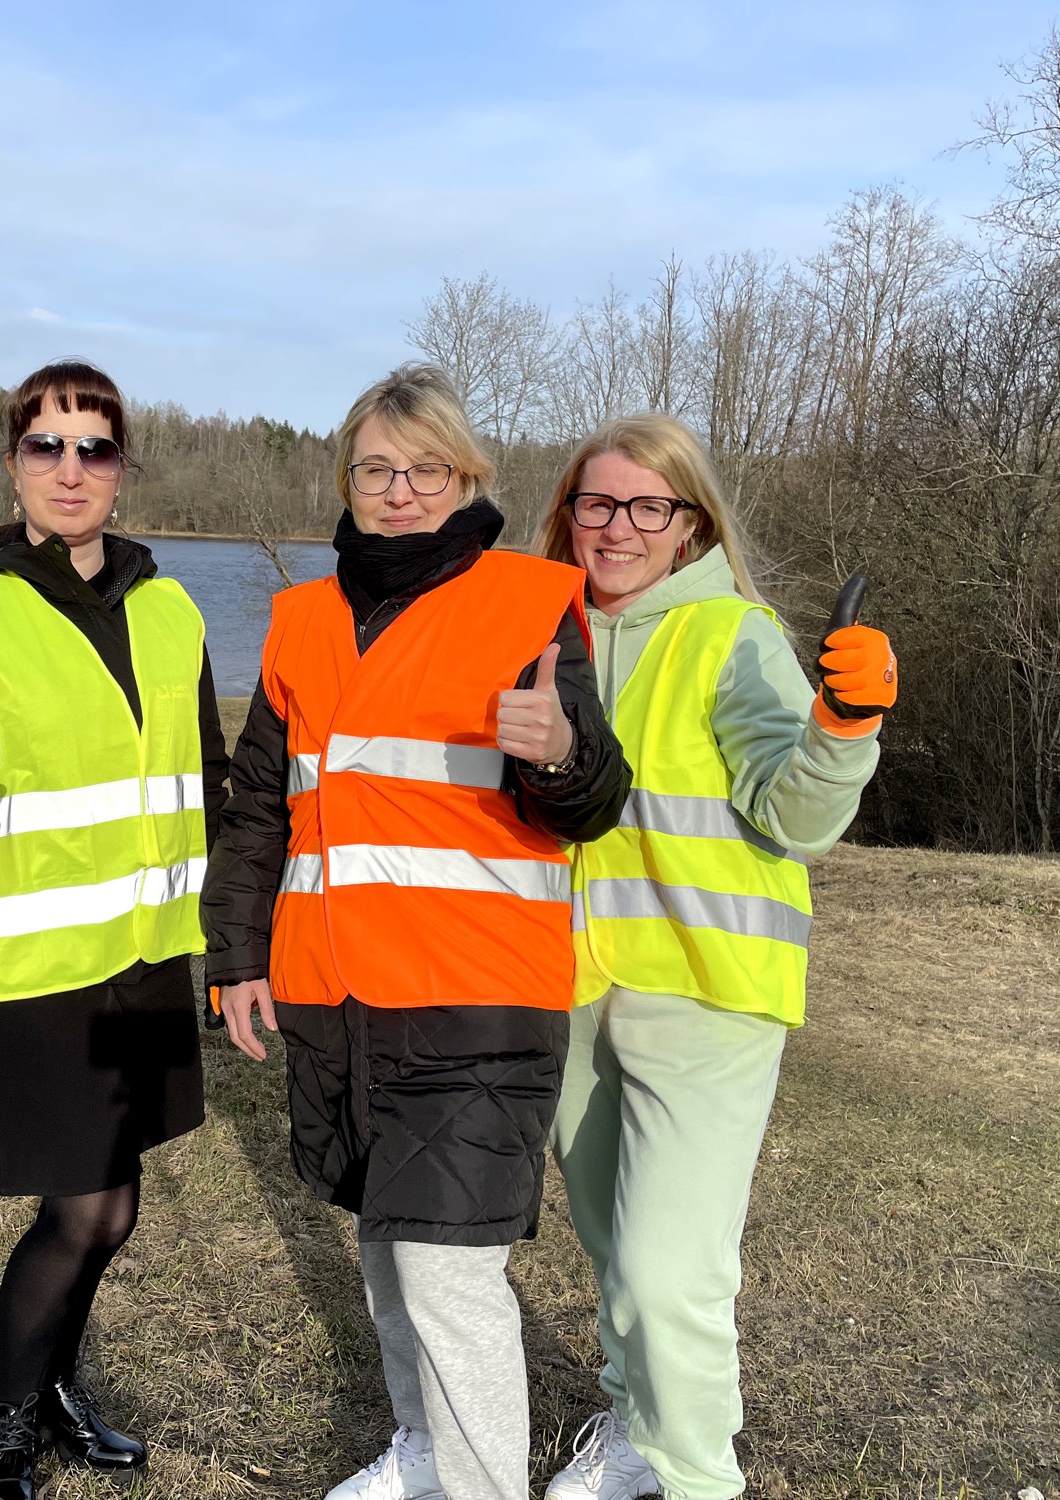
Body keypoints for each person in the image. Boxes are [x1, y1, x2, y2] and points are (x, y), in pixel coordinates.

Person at [204, 364, 631, 1500]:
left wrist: (560, 752)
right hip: (331, 993)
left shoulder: (528, 602)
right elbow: (259, 806)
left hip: (475, 998)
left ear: (467, 478)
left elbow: (589, 803)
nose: (398, 491)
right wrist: (237, 954)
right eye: (375, 470)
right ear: (346, 480)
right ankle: (422, 1455)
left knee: (447, 1275)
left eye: (424, 470)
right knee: (390, 1255)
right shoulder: (299, 621)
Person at [0, 359, 229, 1500]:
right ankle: (3, 1420)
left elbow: (204, 782)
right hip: (31, 966)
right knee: (82, 1207)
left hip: (143, 961)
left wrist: (231, 942)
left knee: (113, 1205)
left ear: (123, 468)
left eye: (94, 447)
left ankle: (58, 1388)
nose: (69, 469)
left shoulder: (170, 610)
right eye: (46, 446)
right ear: (12, 462)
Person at [531, 414, 894, 1500]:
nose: (618, 527)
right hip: (570, 988)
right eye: (596, 503)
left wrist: (842, 725)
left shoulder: (729, 634)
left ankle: (696, 1479)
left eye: (648, 506)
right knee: (609, 1244)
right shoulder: (539, 634)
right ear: (566, 514)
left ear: (687, 523)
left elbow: (792, 814)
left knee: (667, 1271)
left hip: (706, 991)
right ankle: (634, 1426)